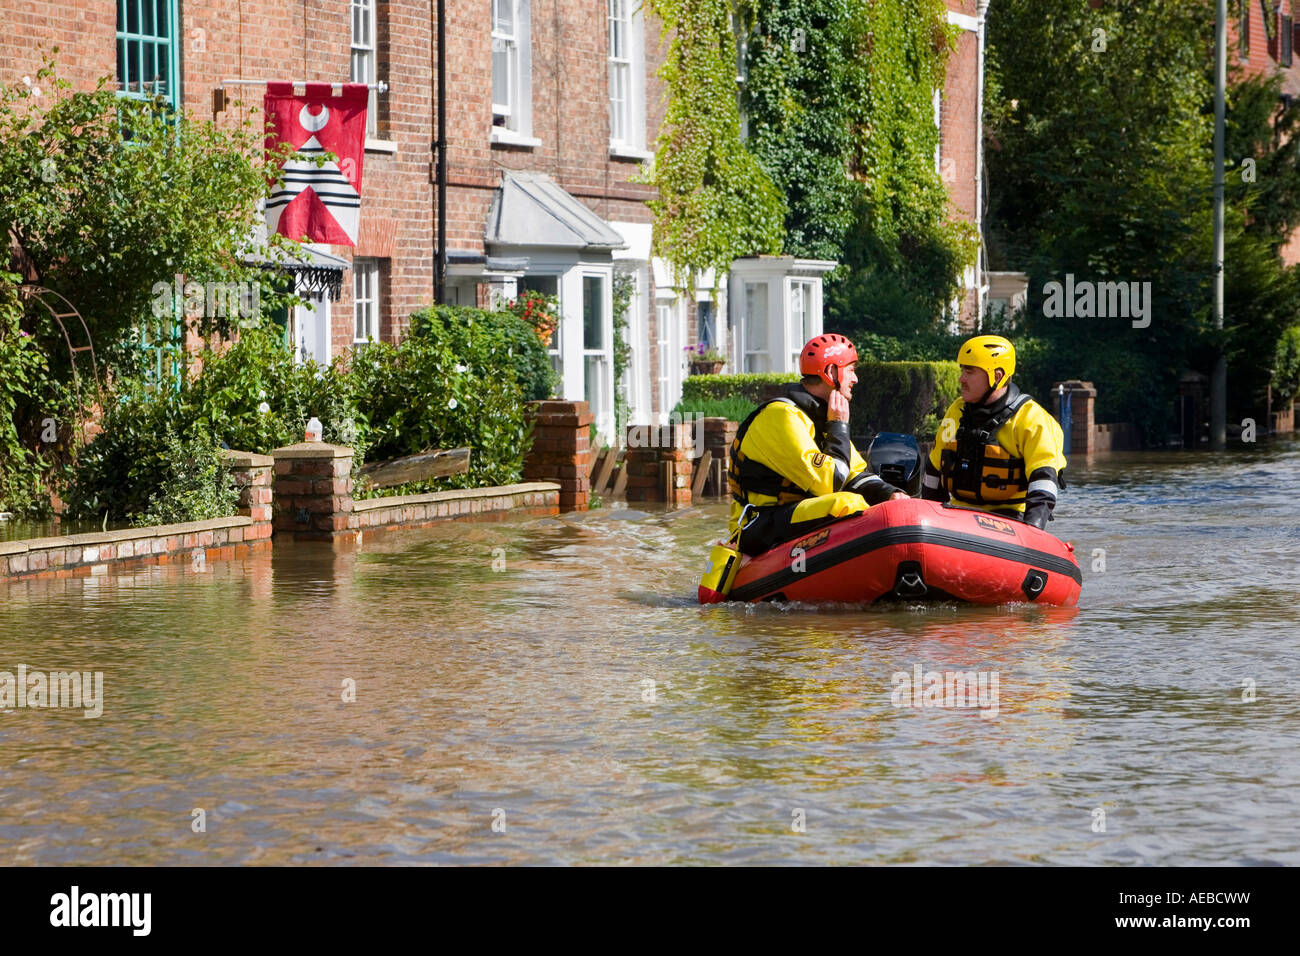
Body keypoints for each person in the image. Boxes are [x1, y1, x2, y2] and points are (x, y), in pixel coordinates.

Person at [727, 333, 908, 557]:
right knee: (849, 504)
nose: (856, 379)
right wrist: (839, 427)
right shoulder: (781, 416)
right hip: (758, 523)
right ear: (832, 373)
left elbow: (856, 473)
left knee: (874, 502)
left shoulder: (819, 418)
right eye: (851, 370)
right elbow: (830, 484)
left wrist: (891, 495)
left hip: (792, 515)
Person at [921, 334, 1066, 530]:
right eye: (962, 370)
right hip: (958, 517)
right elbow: (934, 471)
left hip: (1010, 523)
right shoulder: (956, 411)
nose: (961, 379)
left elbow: (1044, 480)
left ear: (996, 376)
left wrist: (1033, 530)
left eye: (969, 372)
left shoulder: (1032, 419)